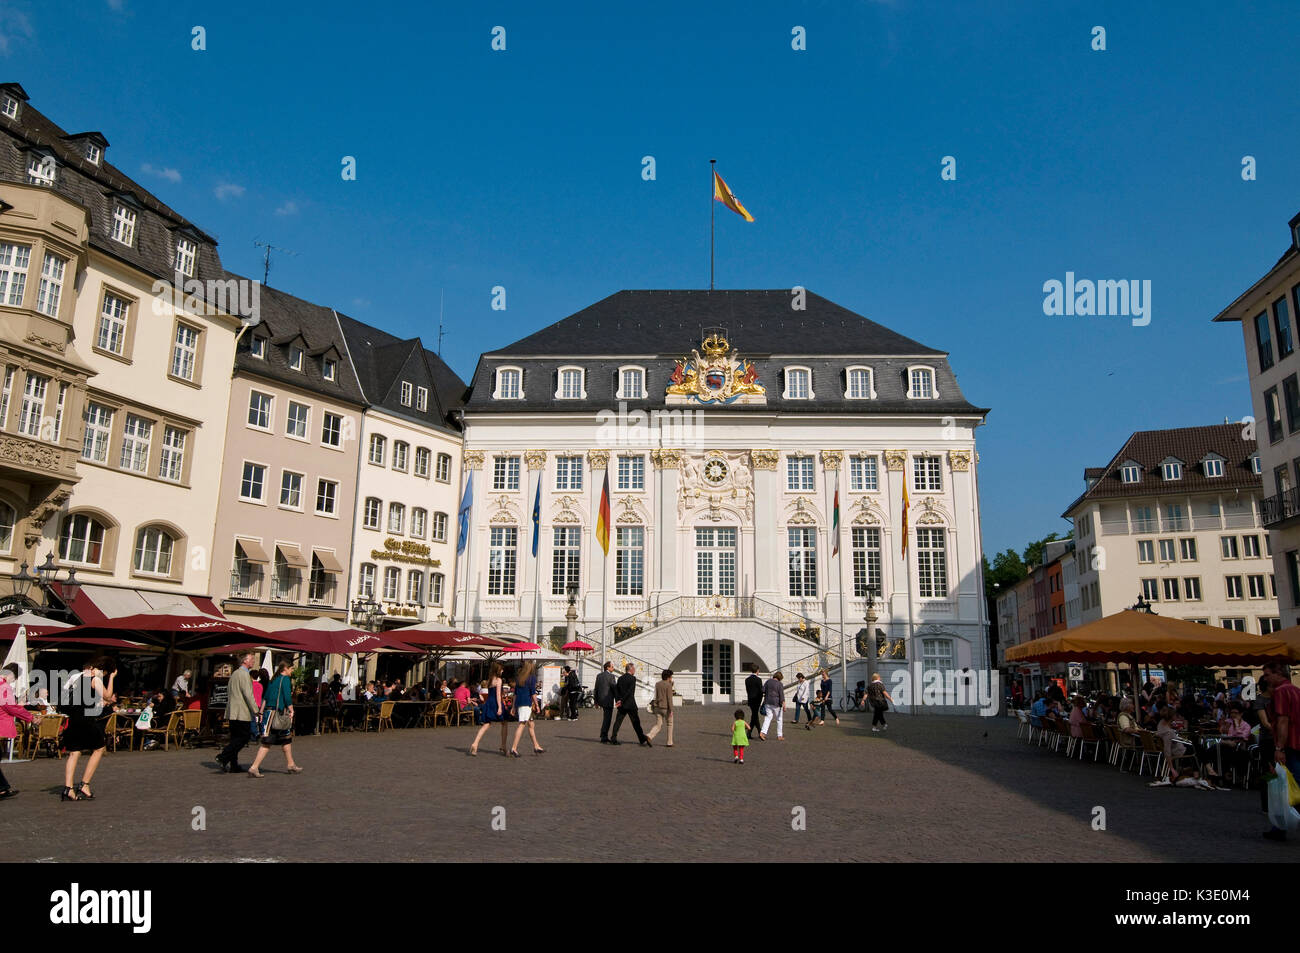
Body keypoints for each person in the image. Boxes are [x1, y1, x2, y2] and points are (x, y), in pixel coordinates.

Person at [61, 656, 116, 800]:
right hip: (87, 719)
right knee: (99, 748)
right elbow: (108, 696)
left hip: (74, 719)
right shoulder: (95, 679)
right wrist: (112, 678)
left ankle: (68, 788)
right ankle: (84, 785)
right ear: (104, 671)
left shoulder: (77, 678)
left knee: (74, 753)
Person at [1263, 661, 1300, 841]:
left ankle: (1281, 826)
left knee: (1289, 785)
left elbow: (1283, 721)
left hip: (1290, 744)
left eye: (1268, 674)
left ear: (1278, 673)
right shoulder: (1295, 689)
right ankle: (1279, 827)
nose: (1266, 678)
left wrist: (1279, 747)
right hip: (1297, 742)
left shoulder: (1281, 692)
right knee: (1290, 783)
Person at [249, 660, 303, 778]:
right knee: (267, 742)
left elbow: (265, 697)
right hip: (277, 714)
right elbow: (287, 696)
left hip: (269, 712)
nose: (292, 671)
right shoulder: (285, 680)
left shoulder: (273, 680)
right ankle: (254, 767)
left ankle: (291, 764)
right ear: (286, 668)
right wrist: (292, 710)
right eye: (291, 669)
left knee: (286, 739)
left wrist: (261, 712)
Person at [217, 653, 258, 774]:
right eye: (252, 659)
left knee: (235, 738)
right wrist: (256, 710)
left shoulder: (234, 673)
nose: (253, 661)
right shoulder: (244, 675)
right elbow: (248, 694)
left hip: (232, 711)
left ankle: (233, 765)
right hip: (241, 712)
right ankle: (223, 756)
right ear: (245, 661)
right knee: (244, 737)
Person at [0, 663, 34, 799]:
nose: (13, 681)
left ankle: (2, 788)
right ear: (11, 675)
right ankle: (2, 788)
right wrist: (30, 717)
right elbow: (11, 707)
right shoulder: (4, 686)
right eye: (14, 678)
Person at [469, 663, 509, 756]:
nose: (503, 671)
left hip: (489, 702)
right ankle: (503, 745)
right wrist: (499, 707)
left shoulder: (490, 680)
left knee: (486, 724)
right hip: (495, 702)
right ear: (498, 670)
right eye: (501, 669)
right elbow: (498, 695)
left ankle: (475, 743)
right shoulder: (498, 680)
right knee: (504, 723)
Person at [509, 662, 545, 757]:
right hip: (526, 703)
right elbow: (533, 693)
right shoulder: (531, 678)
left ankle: (536, 746)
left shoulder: (519, 678)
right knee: (522, 725)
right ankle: (514, 748)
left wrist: (513, 707)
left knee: (531, 725)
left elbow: (515, 694)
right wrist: (537, 705)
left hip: (520, 703)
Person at [610, 663, 649, 746]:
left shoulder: (620, 678)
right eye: (634, 669)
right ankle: (641, 739)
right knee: (636, 723)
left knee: (618, 722)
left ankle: (613, 738)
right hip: (630, 704)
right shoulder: (632, 678)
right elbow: (630, 692)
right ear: (630, 669)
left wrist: (618, 700)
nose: (634, 670)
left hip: (622, 705)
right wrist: (622, 700)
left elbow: (617, 691)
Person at [645, 669, 674, 746]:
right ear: (668, 677)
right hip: (666, 708)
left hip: (657, 707)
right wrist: (671, 710)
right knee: (670, 724)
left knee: (658, 724)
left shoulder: (657, 684)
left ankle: (649, 735)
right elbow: (669, 698)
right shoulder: (669, 685)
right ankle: (669, 742)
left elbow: (657, 695)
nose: (671, 678)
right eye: (671, 676)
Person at [595, 661, 617, 743]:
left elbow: (596, 689)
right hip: (608, 700)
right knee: (607, 719)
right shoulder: (611, 676)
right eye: (612, 666)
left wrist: (596, 701)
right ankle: (604, 736)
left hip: (601, 700)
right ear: (607, 667)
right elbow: (614, 688)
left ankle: (604, 735)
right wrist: (617, 699)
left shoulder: (599, 676)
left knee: (606, 718)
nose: (613, 668)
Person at [760, 671, 785, 741]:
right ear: (780, 678)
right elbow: (781, 695)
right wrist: (783, 704)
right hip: (776, 703)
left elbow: (763, 690)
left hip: (767, 702)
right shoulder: (780, 684)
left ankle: (763, 732)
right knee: (779, 719)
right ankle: (779, 735)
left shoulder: (768, 681)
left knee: (768, 718)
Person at [745, 668, 764, 735]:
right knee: (755, 716)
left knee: (754, 715)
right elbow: (760, 691)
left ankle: (749, 733)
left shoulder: (747, 679)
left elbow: (747, 690)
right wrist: (761, 700)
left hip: (750, 699)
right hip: (757, 700)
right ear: (757, 671)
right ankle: (760, 731)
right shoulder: (758, 680)